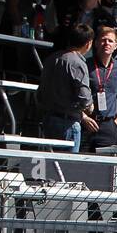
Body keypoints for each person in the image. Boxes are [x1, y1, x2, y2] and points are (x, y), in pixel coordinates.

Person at [38, 23, 96, 152]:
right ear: (88, 43)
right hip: (67, 122)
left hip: (49, 119)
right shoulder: (78, 63)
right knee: (66, 168)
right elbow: (84, 97)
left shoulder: (52, 59)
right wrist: (89, 105)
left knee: (51, 166)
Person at [83, 23, 117, 151]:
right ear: (95, 43)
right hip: (86, 124)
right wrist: (83, 117)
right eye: (103, 40)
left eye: (110, 41)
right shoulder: (85, 65)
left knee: (105, 169)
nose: (107, 43)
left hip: (108, 126)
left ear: (115, 46)